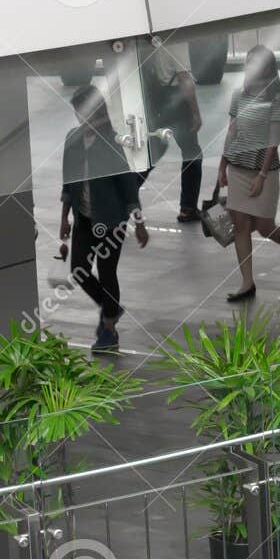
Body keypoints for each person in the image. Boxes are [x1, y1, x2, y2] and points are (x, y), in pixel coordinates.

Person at [59, 84, 149, 353]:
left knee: (107, 273)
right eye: (77, 112)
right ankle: (112, 309)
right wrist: (64, 218)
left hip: (111, 220)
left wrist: (140, 223)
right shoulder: (72, 139)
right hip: (84, 216)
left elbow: (128, 186)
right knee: (79, 269)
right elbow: (67, 182)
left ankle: (109, 329)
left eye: (84, 111)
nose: (80, 118)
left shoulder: (112, 143)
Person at [217, 44, 280, 304]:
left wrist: (262, 175)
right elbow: (232, 132)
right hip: (237, 167)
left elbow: (273, 141)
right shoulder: (239, 95)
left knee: (265, 226)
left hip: (262, 171)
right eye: (248, 62)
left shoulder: (276, 99)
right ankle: (247, 282)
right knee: (241, 225)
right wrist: (222, 166)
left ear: (267, 68)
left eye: (254, 63)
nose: (249, 67)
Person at [144, 39, 204, 223]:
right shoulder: (177, 39)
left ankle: (124, 198)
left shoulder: (152, 37)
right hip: (176, 99)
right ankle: (188, 208)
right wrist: (195, 112)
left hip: (155, 98)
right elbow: (185, 79)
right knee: (192, 153)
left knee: (153, 151)